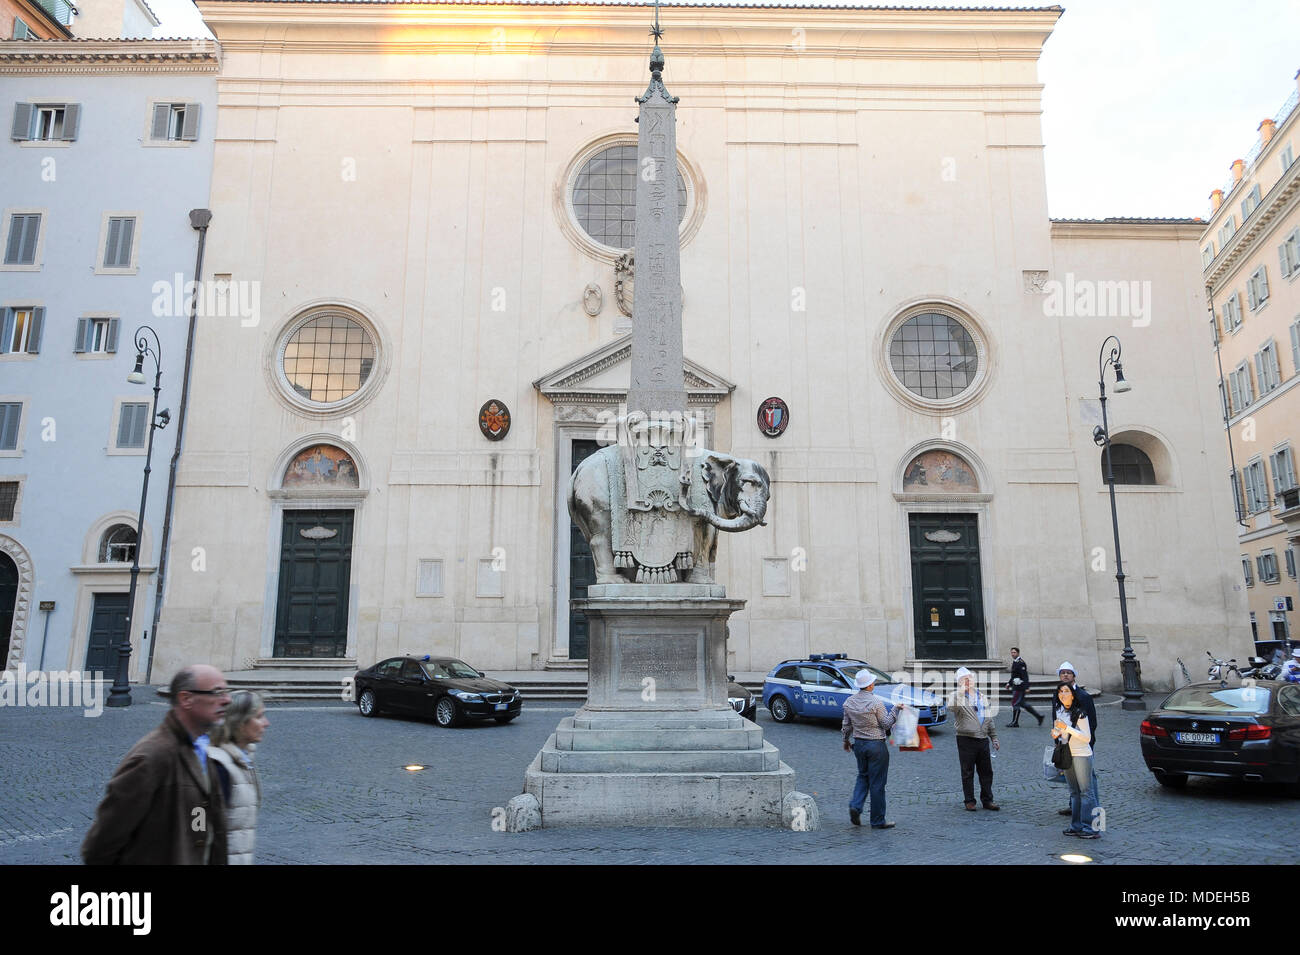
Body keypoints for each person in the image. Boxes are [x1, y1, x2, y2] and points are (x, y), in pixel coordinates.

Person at [82, 664, 231, 865]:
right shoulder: (152, 757)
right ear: (186, 699)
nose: (227, 700)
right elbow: (100, 846)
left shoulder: (200, 750)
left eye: (226, 692)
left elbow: (201, 825)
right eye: (217, 693)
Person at [208, 690, 269, 864]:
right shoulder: (218, 766)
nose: (266, 723)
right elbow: (197, 831)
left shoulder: (243, 759)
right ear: (239, 723)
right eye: (259, 717)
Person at [841, 669, 903, 829]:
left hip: (859, 744)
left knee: (863, 776)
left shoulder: (849, 702)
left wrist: (846, 741)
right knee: (877, 783)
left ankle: (856, 805)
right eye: (872, 682)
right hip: (876, 745)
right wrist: (896, 709)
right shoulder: (876, 702)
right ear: (869, 685)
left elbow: (846, 726)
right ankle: (877, 820)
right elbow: (886, 724)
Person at [949, 666, 1000, 811]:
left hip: (983, 739)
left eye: (970, 678)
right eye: (964, 679)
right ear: (959, 682)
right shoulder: (956, 696)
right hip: (966, 739)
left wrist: (994, 737)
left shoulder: (982, 696)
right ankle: (969, 800)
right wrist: (961, 691)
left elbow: (989, 718)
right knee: (967, 771)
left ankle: (987, 800)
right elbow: (950, 707)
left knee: (986, 771)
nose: (968, 681)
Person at [1053, 682, 1099, 839]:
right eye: (1060, 692)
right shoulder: (1059, 711)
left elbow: (1087, 737)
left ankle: (1091, 828)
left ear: (1073, 695)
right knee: (1074, 792)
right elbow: (1063, 734)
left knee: (1086, 792)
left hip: (1081, 754)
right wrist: (1057, 733)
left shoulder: (1080, 713)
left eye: (1066, 691)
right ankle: (1076, 826)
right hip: (1067, 754)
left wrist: (1066, 728)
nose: (1062, 694)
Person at [1005, 647, 1043, 727]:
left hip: (1019, 687)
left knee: (1015, 703)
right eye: (1012, 652)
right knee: (1022, 704)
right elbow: (1014, 675)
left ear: (1018, 653)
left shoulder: (1021, 662)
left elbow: (1024, 676)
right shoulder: (1015, 662)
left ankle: (1015, 722)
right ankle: (1039, 717)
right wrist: (1009, 683)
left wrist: (1027, 687)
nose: (1013, 654)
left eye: (1014, 652)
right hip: (1015, 686)